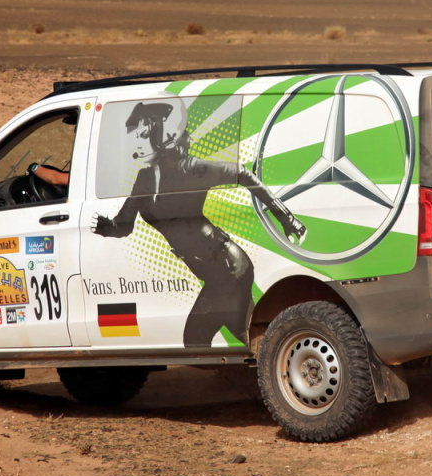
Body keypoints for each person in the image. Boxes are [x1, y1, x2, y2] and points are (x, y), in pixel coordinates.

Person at [92, 100, 306, 348]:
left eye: (145, 134)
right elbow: (124, 226)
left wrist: (286, 218)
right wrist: (102, 226)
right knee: (252, 338)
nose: (137, 141)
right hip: (216, 271)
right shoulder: (144, 178)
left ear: (167, 135)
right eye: (136, 135)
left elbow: (243, 174)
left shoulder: (192, 169)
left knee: (196, 340)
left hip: (229, 268)